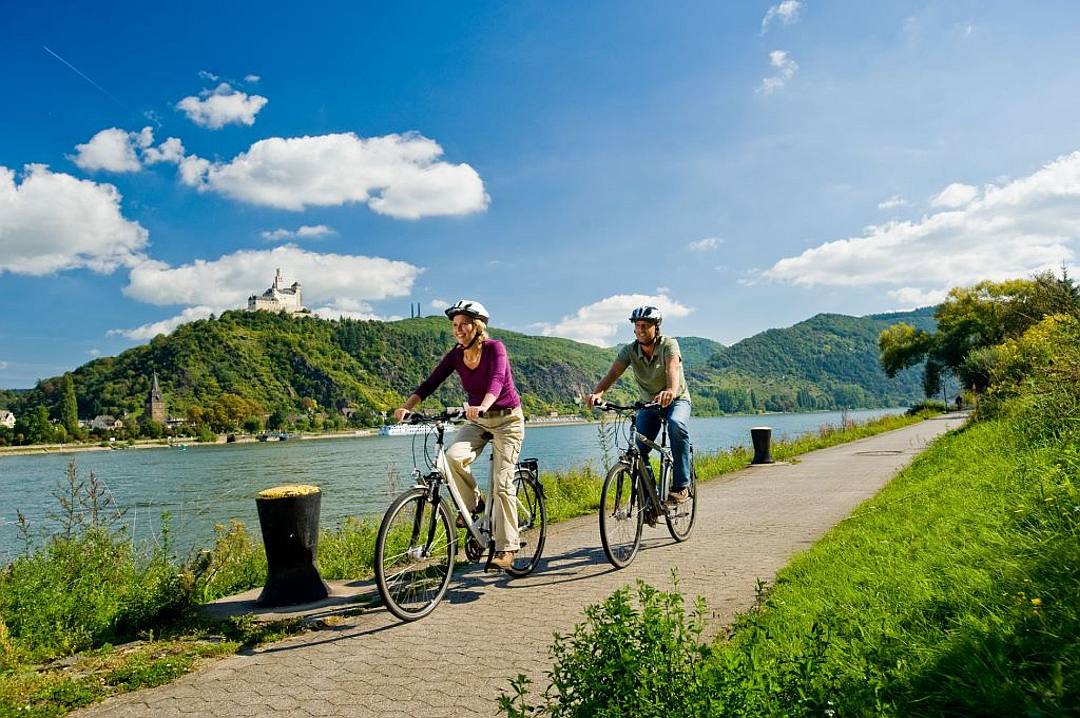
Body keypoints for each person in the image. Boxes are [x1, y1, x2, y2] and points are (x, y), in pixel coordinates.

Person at [394, 299, 525, 572]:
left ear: (477, 326)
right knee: (451, 459)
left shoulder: (495, 348)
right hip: (478, 420)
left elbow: (497, 380)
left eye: (464, 324)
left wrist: (483, 406)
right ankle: (474, 503)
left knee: (502, 484)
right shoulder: (456, 355)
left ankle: (508, 546)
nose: (459, 329)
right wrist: (407, 406)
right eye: (455, 325)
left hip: (507, 420)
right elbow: (431, 382)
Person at [585, 305, 692, 503]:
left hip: (676, 400)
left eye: (645, 325)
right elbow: (613, 374)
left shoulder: (669, 345)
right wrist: (597, 393)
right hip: (648, 405)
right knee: (637, 449)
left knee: (677, 425)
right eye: (637, 325)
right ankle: (650, 500)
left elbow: (672, 369)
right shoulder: (630, 351)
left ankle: (681, 485)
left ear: (656, 327)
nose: (641, 329)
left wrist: (670, 390)